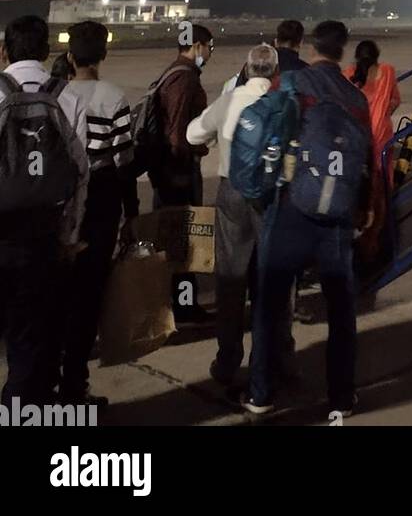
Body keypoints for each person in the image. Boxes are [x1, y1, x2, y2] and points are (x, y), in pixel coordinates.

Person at [245, 21, 373, 417]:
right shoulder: (357, 97)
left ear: (312, 46)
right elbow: (366, 160)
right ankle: (341, 396)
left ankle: (261, 394)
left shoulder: (292, 82)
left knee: (269, 304)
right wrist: (364, 207)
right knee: (341, 310)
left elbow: (269, 136)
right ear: (342, 51)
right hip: (336, 215)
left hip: (290, 207)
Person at [0, 15, 89, 406]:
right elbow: (81, 175)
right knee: (27, 341)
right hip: (41, 239)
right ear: (47, 51)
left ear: (4, 51)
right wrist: (69, 237)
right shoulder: (66, 97)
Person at [187, 42, 283, 392]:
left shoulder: (230, 99)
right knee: (270, 284)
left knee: (230, 279)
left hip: (232, 193)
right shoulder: (282, 104)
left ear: (246, 69)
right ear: (274, 72)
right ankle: (269, 361)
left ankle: (227, 361)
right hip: (270, 198)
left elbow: (193, 132)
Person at [57, 20, 140, 405]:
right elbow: (124, 159)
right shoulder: (113, 95)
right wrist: (131, 211)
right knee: (89, 293)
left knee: (58, 290)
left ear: (70, 56)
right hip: (103, 198)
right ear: (103, 55)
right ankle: (76, 380)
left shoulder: (56, 94)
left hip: (63, 200)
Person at [149, 24, 213, 322]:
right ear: (197, 46)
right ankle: (184, 307)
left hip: (172, 169)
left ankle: (176, 304)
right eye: (209, 47)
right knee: (185, 245)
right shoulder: (184, 79)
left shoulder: (173, 72)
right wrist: (182, 167)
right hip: (179, 171)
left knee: (176, 243)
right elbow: (176, 133)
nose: (210, 53)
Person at [344, 40, 401, 260]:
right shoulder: (387, 72)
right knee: (381, 189)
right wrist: (383, 113)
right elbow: (395, 101)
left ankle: (357, 237)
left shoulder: (348, 74)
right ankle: (377, 239)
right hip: (380, 138)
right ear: (377, 56)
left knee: (359, 188)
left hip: (356, 138)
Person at [226, 18, 305, 92]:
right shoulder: (306, 72)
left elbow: (238, 90)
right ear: (300, 43)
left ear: (276, 42)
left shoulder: (254, 65)